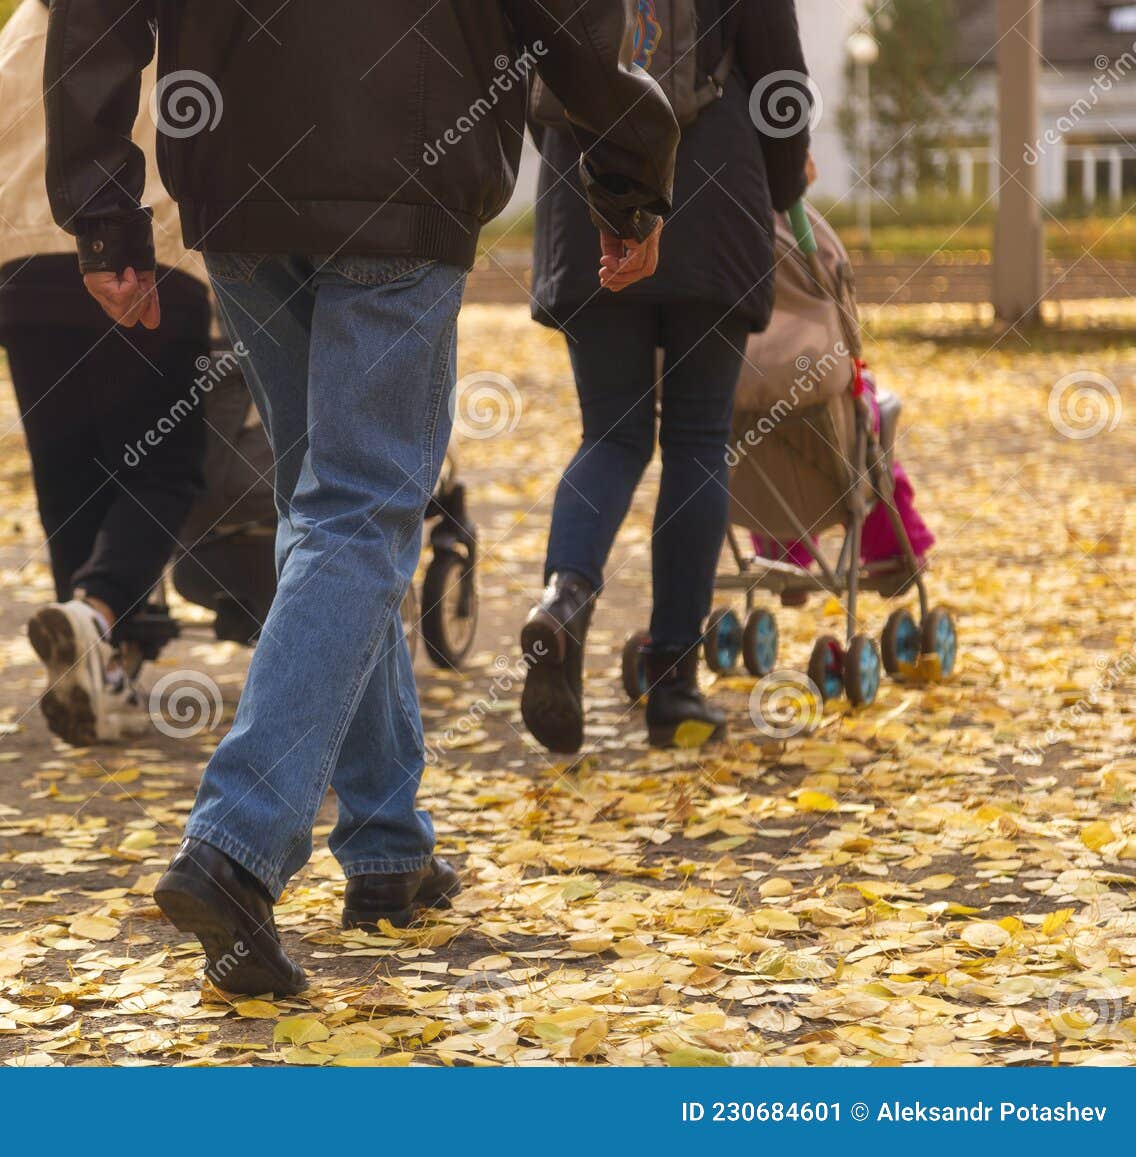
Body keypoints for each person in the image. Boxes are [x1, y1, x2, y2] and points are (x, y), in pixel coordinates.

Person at [45, 0, 678, 995]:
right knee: (357, 511)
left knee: (328, 512)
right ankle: (237, 844)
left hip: (237, 179)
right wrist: (631, 173)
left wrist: (100, 205)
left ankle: (387, 847)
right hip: (407, 169)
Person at [520, 0, 811, 754]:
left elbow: (529, 69)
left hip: (584, 187)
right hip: (711, 192)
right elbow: (779, 73)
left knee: (611, 433)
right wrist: (783, 185)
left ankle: (564, 599)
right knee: (696, 439)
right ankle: (674, 685)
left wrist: (582, 156)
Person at [0, 0, 212, 746]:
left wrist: (6, 251)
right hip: (146, 259)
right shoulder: (159, 29)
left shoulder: (10, 43)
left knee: (67, 484)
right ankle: (95, 614)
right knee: (161, 467)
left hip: (23, 277)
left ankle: (99, 670)